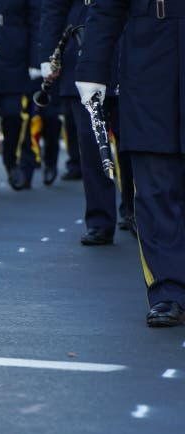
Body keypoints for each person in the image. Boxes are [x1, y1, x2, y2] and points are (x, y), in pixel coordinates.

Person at [75, 0, 184, 327]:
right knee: (154, 187)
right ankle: (168, 290)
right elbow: (107, 8)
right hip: (150, 60)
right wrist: (92, 68)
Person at [40, 0, 132, 245]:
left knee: (132, 144)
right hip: (82, 46)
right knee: (91, 147)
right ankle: (100, 219)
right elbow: (53, 8)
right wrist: (48, 53)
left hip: (127, 48)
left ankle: (133, 209)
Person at [0, 0, 39, 196]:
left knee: (14, 115)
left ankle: (12, 160)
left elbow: (36, 20)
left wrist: (36, 59)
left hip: (15, 58)